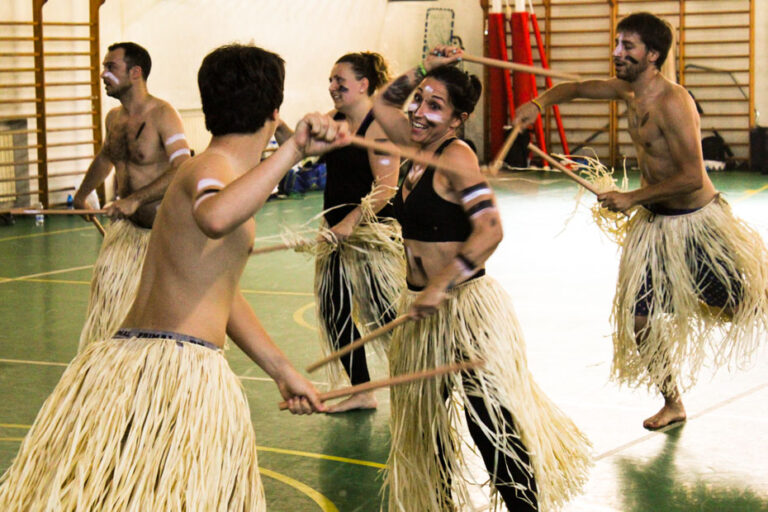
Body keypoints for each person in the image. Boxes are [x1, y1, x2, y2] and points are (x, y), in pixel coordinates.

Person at [0, 43, 343, 510]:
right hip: (173, 368)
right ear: (273, 112)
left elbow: (220, 292)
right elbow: (215, 215)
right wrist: (294, 150)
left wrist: (282, 370)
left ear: (207, 108)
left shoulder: (218, 172)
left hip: (153, 365)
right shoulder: (211, 170)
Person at [514, 12, 768, 430]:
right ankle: (673, 402)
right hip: (657, 227)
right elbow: (574, 88)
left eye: (627, 47)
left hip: (697, 225)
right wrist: (536, 105)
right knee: (640, 318)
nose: (616, 54)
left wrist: (632, 197)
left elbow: (689, 176)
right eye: (617, 44)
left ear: (652, 55)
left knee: (742, 304)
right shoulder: (628, 91)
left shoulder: (673, 101)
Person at [374, 45, 590, 512]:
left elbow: (490, 229)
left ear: (458, 120)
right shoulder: (415, 149)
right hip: (421, 317)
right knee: (424, 427)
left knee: (488, 421)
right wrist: (425, 68)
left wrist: (441, 283)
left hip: (464, 309)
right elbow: (381, 103)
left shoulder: (456, 158)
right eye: (420, 99)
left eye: (435, 105)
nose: (419, 111)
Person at [278, 52, 404, 412]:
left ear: (363, 84)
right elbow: (301, 150)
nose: (332, 86)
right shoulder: (334, 121)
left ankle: (420, 383)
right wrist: (275, 123)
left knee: (385, 317)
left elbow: (386, 187)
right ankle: (362, 390)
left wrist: (350, 223)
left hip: (372, 237)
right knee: (334, 310)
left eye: (340, 80)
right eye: (331, 80)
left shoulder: (378, 126)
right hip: (335, 234)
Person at [73, 42, 191, 351]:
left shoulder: (163, 114)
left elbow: (183, 167)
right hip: (125, 235)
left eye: (111, 67)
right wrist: (81, 195)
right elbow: (106, 158)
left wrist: (135, 199)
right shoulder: (114, 118)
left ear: (135, 72)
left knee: (157, 322)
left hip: (160, 236)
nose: (103, 74)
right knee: (111, 310)